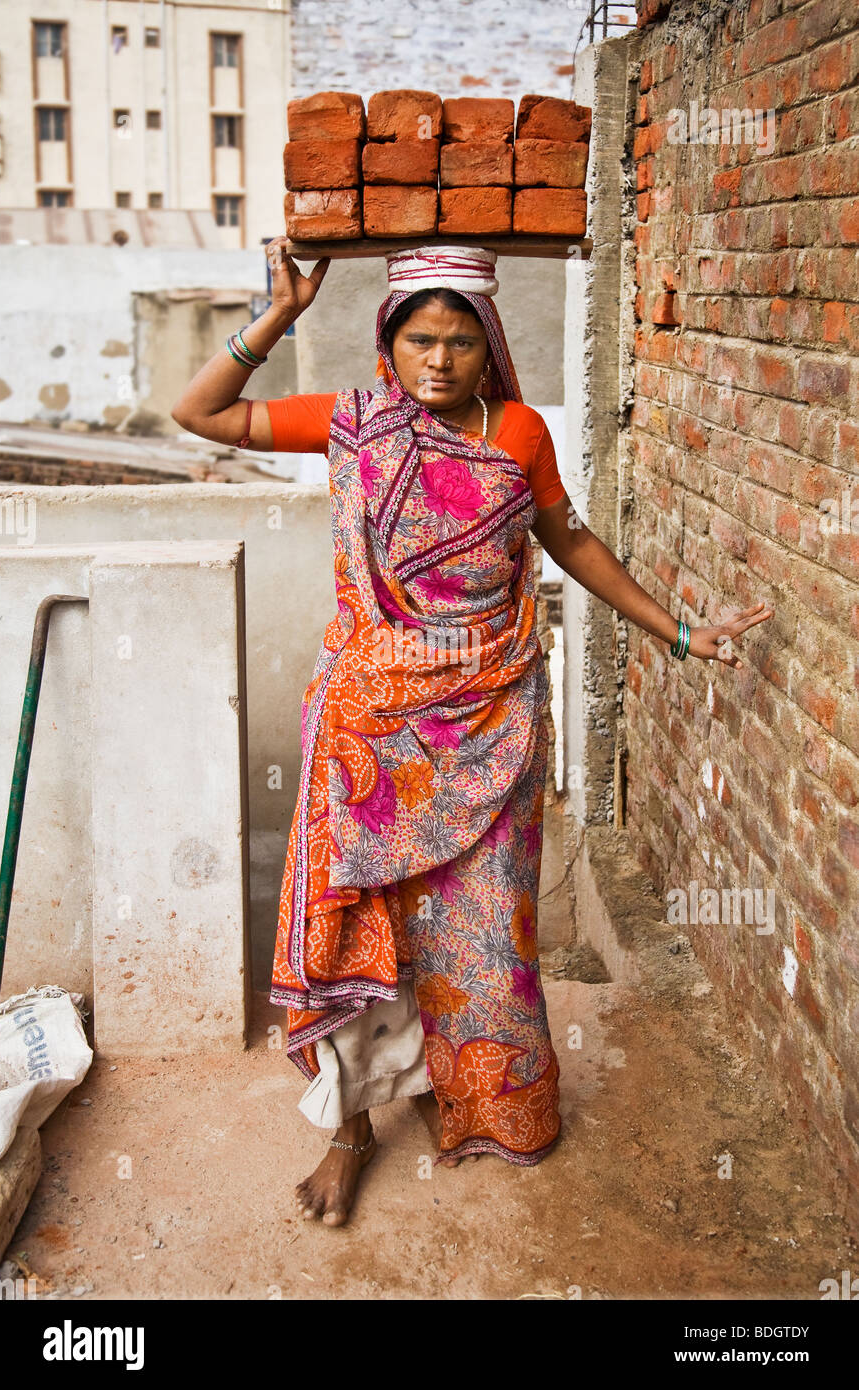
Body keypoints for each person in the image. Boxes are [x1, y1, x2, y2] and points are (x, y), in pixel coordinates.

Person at [171, 238, 774, 1228]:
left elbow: (567, 538)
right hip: (367, 735)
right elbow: (197, 414)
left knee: (487, 933)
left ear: (489, 344)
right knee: (358, 927)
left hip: (493, 723)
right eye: (421, 340)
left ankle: (480, 1097)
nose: (439, 360)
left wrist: (676, 631)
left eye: (460, 341)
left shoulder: (520, 433)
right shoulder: (352, 421)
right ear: (390, 343)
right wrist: (278, 312)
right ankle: (351, 1130)